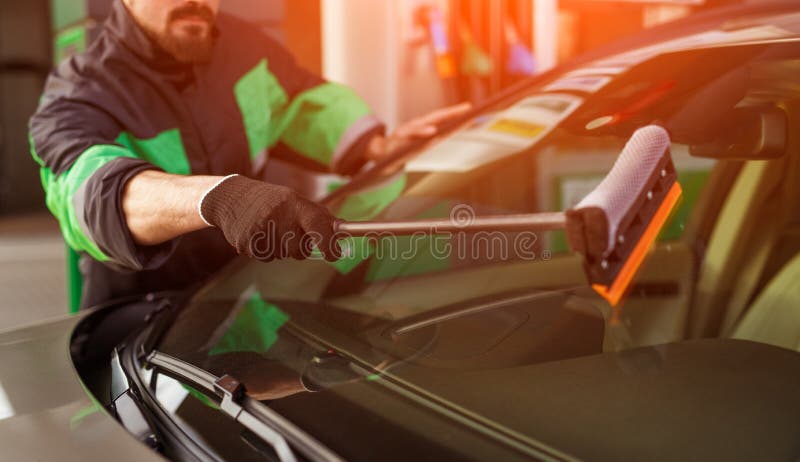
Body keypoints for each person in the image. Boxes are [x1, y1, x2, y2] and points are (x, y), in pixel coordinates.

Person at [29, 0, 469, 308]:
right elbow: (90, 191)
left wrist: (377, 147)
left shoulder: (246, 51)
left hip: (233, 303)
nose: (195, 1)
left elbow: (299, 102)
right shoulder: (81, 90)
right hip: (134, 323)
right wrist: (218, 198)